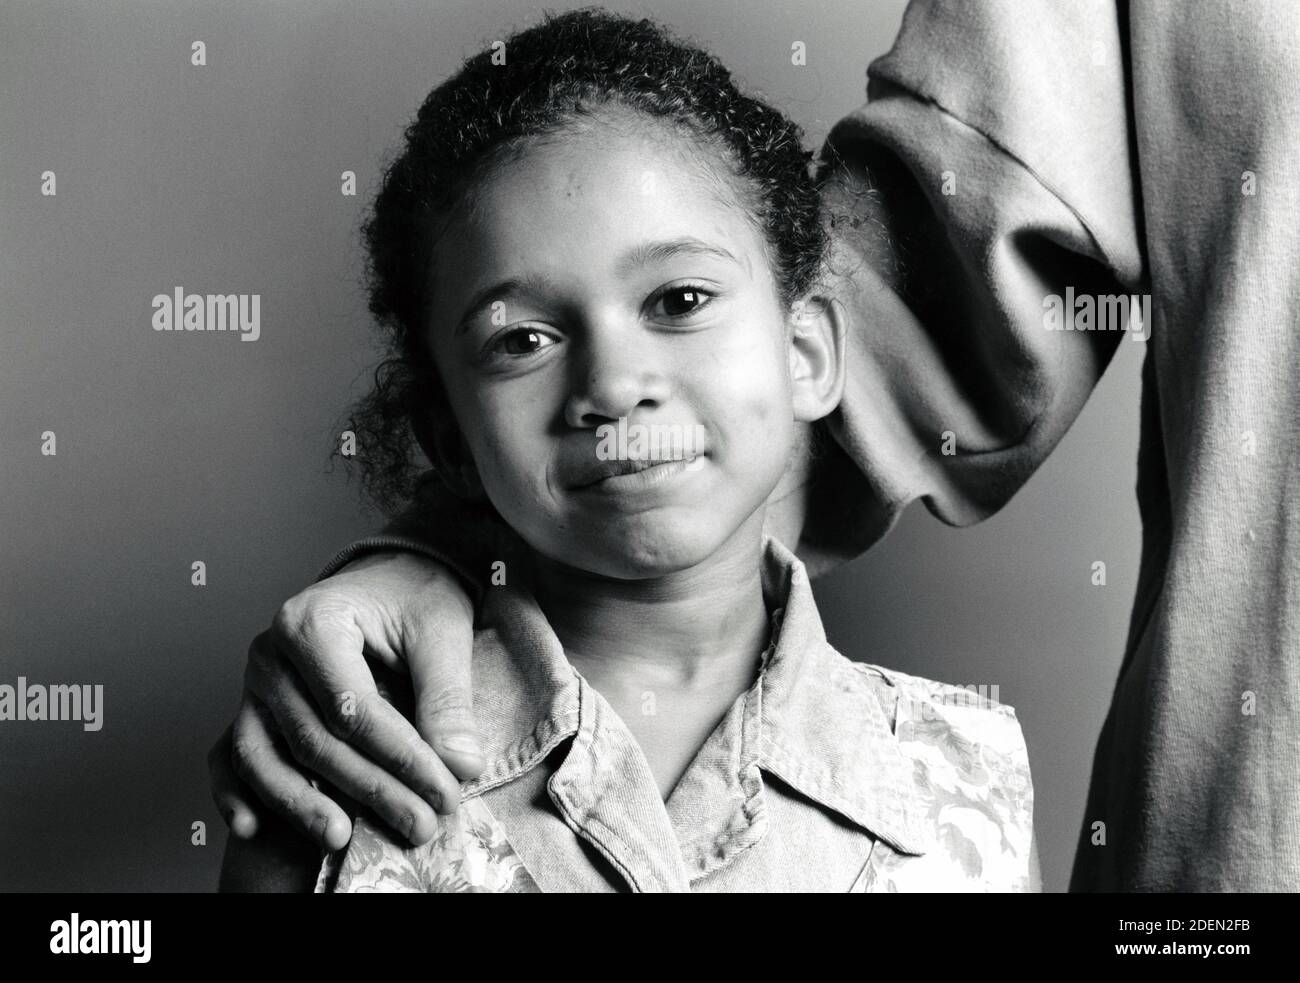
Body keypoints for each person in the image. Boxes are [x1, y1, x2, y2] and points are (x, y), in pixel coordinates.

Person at [212, 0, 1300, 892]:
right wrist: (433, 567)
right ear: (444, 433)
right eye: (528, 337)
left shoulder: (957, 783)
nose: (614, 380)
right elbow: (895, 307)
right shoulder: (355, 793)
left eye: (675, 298)